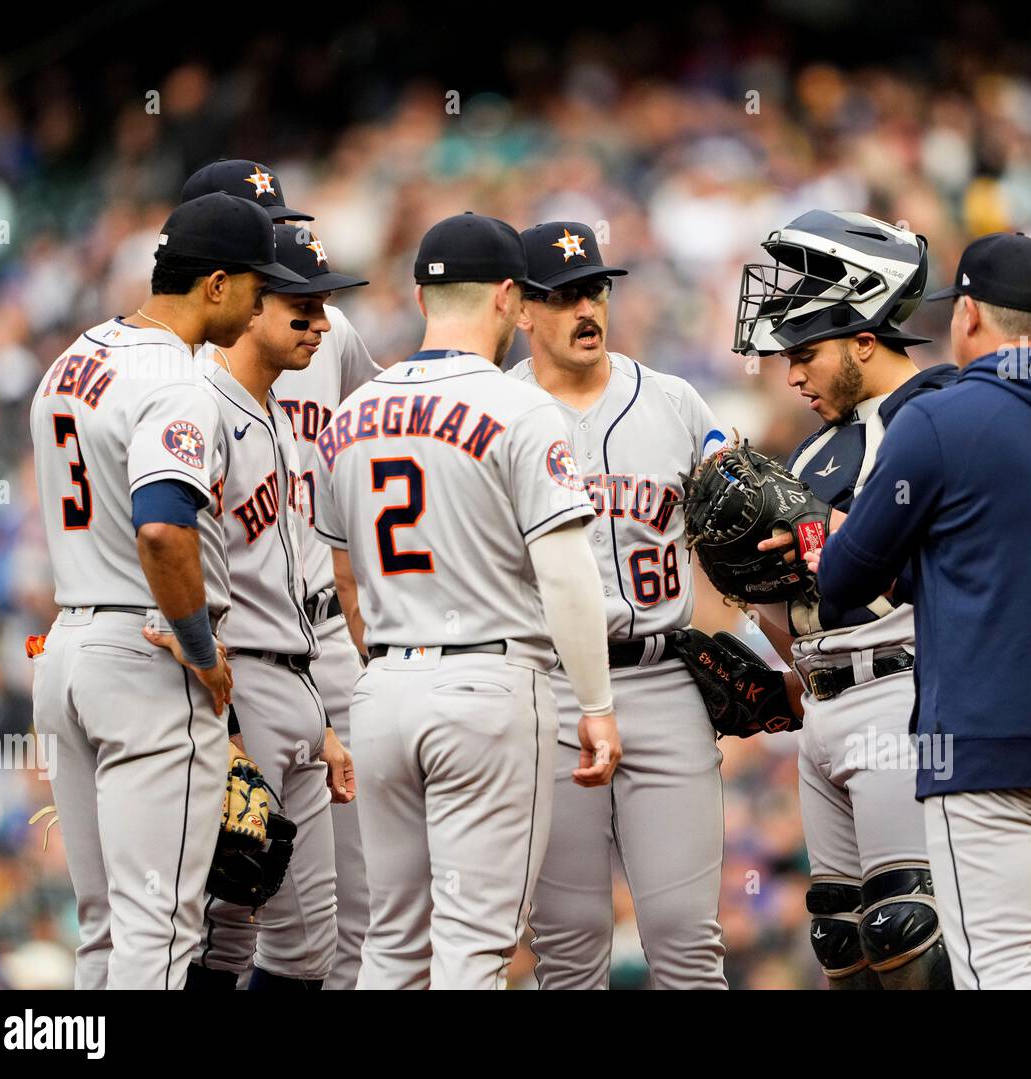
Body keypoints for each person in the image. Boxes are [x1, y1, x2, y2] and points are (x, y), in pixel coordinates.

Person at [807, 232, 1031, 989]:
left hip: (985, 743)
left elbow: (839, 578)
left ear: (967, 314)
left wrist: (829, 534)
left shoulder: (942, 420)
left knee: (998, 976)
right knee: (1028, 964)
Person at [314, 212, 623, 989]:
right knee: (474, 944)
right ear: (512, 299)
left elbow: (343, 574)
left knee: (391, 940)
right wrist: (596, 700)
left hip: (380, 689)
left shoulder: (351, 413)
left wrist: (387, 657)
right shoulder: (519, 408)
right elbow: (565, 571)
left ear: (422, 297)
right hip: (488, 688)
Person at [29, 192, 305, 989]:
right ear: (216, 283)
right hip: (147, 657)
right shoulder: (175, 378)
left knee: (105, 929)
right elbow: (161, 526)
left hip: (69, 649)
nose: (262, 303)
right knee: (160, 933)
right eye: (257, 284)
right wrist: (201, 647)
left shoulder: (73, 355)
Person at [736, 210, 956, 989]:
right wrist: (745, 598)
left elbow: (937, 557)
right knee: (841, 938)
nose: (792, 375)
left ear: (866, 337)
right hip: (823, 700)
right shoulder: (814, 444)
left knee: (910, 927)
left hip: (902, 686)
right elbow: (804, 585)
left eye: (805, 353)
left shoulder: (941, 413)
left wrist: (817, 528)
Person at [508, 221, 728, 989]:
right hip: (549, 690)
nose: (585, 308)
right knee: (569, 947)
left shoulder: (674, 401)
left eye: (594, 289)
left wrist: (776, 649)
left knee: (685, 937)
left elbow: (736, 541)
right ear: (522, 310)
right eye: (562, 296)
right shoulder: (493, 410)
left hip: (662, 678)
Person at [182, 160, 379, 987]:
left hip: (323, 639)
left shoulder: (326, 339)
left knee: (354, 916)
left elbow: (378, 453)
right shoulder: (174, 375)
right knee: (219, 914)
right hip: (231, 652)